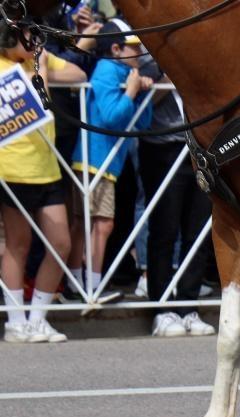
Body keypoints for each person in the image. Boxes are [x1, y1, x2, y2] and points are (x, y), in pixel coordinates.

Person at [0, 26, 87, 343]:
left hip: (47, 167)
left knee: (60, 243)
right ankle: (15, 321)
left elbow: (77, 73)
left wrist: (46, 67)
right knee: (17, 245)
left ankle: (38, 318)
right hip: (12, 168)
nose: (35, 41)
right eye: (27, 36)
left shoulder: (40, 60)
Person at [71, 18, 152, 305]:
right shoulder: (107, 71)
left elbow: (142, 122)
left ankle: (79, 282)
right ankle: (91, 284)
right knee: (100, 224)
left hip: (106, 162)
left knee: (88, 222)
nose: (140, 51)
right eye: (134, 47)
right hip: (95, 160)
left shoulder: (123, 71)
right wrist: (130, 91)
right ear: (116, 49)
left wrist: (143, 94)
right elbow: (111, 117)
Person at [136, 55, 214, 336]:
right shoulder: (148, 59)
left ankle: (188, 305)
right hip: (163, 148)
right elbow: (144, 105)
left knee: (197, 233)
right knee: (164, 231)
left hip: (199, 148)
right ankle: (162, 308)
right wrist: (170, 78)